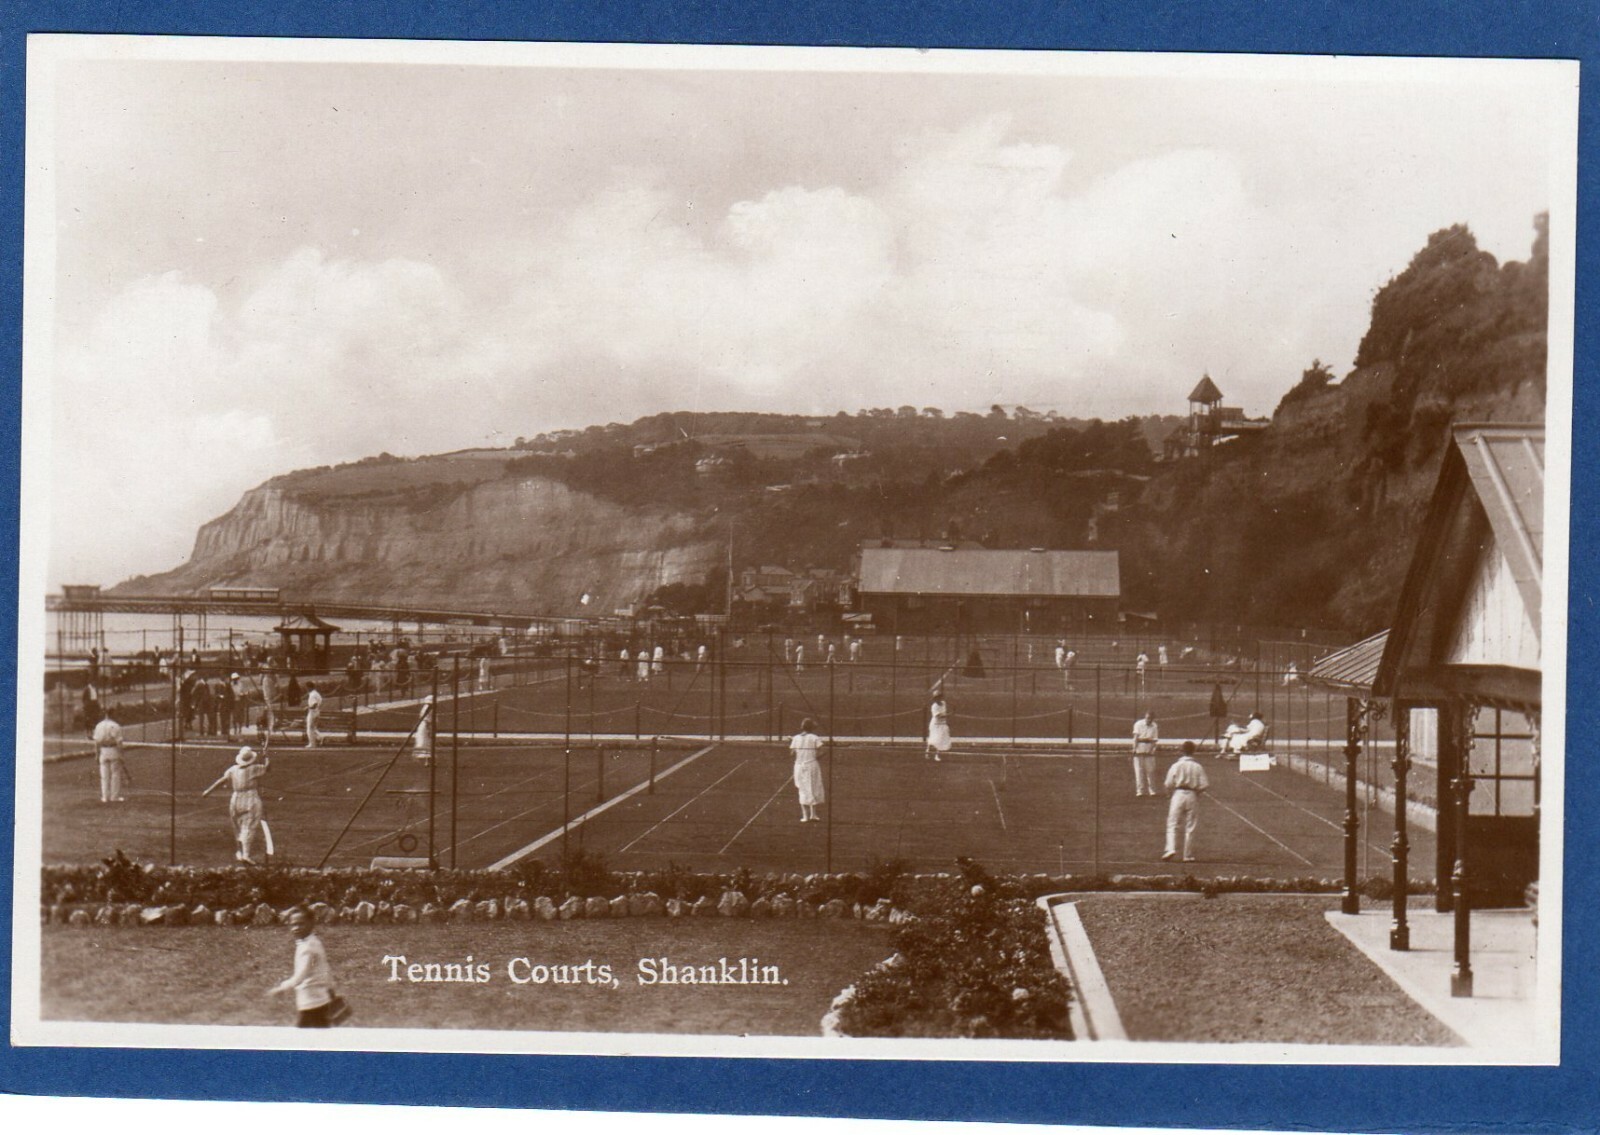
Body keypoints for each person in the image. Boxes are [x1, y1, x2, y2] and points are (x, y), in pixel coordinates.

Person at [268, 907, 337, 1028]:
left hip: (311, 1002)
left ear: (311, 923)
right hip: (319, 999)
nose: (296, 928)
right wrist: (330, 988)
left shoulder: (308, 948)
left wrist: (282, 988)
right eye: (293, 925)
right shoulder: (313, 942)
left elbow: (301, 975)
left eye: (301, 924)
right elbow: (325, 968)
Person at [202, 746, 270, 864]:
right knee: (249, 826)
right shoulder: (254, 768)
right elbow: (267, 768)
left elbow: (221, 780)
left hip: (235, 799)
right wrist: (266, 756)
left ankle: (240, 852)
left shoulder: (233, 769)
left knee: (237, 826)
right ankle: (246, 855)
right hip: (250, 798)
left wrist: (208, 791)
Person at [1162, 741, 1210, 862]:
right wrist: (1196, 794)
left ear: (1182, 751)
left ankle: (1170, 848)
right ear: (1193, 752)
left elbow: (1168, 783)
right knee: (1190, 826)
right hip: (1192, 794)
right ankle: (1187, 855)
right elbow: (1204, 785)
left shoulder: (1176, 765)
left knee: (1172, 823)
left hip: (1178, 794)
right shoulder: (1198, 766)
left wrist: (1169, 795)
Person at [789, 717, 826, 823]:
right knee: (813, 788)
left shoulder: (796, 738)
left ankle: (807, 816)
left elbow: (792, 754)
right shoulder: (814, 737)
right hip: (811, 765)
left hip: (799, 766)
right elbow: (822, 751)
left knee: (803, 788)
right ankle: (812, 814)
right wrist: (814, 758)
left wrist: (796, 746)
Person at [92, 709, 128, 803]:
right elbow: (119, 742)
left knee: (104, 776)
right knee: (115, 775)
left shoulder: (98, 725)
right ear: (113, 714)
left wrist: (97, 754)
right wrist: (122, 755)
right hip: (113, 750)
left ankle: (104, 797)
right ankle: (114, 797)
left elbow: (96, 742)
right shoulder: (115, 726)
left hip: (103, 751)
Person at [1132, 710, 1160, 796]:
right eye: (1147, 718)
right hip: (1139, 750)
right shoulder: (1138, 724)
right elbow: (1136, 738)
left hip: (1149, 751)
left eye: (1150, 719)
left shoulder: (1154, 726)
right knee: (1139, 771)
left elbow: (1154, 740)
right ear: (1145, 717)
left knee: (1150, 771)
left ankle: (1152, 791)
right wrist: (1134, 749)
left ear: (1153, 719)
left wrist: (1152, 750)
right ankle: (1140, 791)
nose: (1148, 720)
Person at [925, 687, 951, 762]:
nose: (938, 699)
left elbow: (944, 713)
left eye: (939, 697)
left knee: (940, 739)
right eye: (936, 697)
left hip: (943, 724)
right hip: (935, 725)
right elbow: (938, 716)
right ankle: (928, 751)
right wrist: (949, 715)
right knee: (933, 739)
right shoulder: (934, 706)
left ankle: (937, 755)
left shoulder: (943, 703)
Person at [413, 695, 434, 761]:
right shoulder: (428, 708)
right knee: (425, 741)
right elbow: (427, 719)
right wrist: (429, 728)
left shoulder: (427, 707)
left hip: (425, 725)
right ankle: (425, 757)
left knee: (425, 741)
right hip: (425, 725)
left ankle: (426, 758)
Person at [303, 682, 323, 749]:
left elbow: (314, 705)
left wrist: (307, 707)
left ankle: (312, 744)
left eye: (307, 687)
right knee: (314, 728)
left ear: (309, 687)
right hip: (317, 712)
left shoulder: (312, 695)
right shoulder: (317, 693)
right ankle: (320, 737)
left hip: (312, 713)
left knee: (309, 728)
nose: (306, 689)